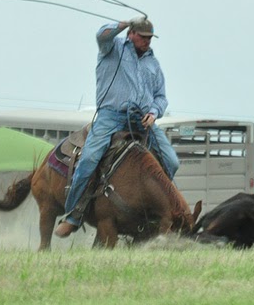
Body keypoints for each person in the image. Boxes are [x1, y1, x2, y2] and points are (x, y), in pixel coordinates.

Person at [56, 17, 180, 237]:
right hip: (111, 116)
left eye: (150, 38)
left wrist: (153, 113)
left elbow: (161, 97)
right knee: (90, 159)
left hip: (142, 120)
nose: (147, 42)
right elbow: (101, 35)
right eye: (143, 37)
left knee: (171, 161)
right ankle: (74, 215)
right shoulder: (112, 48)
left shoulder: (153, 63)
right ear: (131, 34)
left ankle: (164, 212)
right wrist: (122, 23)